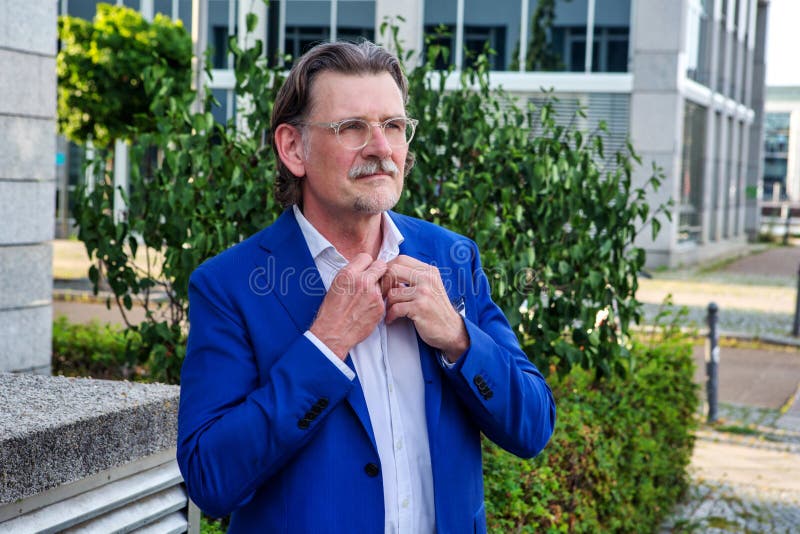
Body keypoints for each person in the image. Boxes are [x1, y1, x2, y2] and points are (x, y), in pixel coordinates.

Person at [177, 40, 556, 533]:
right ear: (294, 148)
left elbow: (532, 427)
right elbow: (211, 480)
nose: (381, 148)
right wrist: (324, 347)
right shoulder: (228, 285)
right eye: (352, 127)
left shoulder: (451, 258)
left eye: (393, 126)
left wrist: (459, 339)